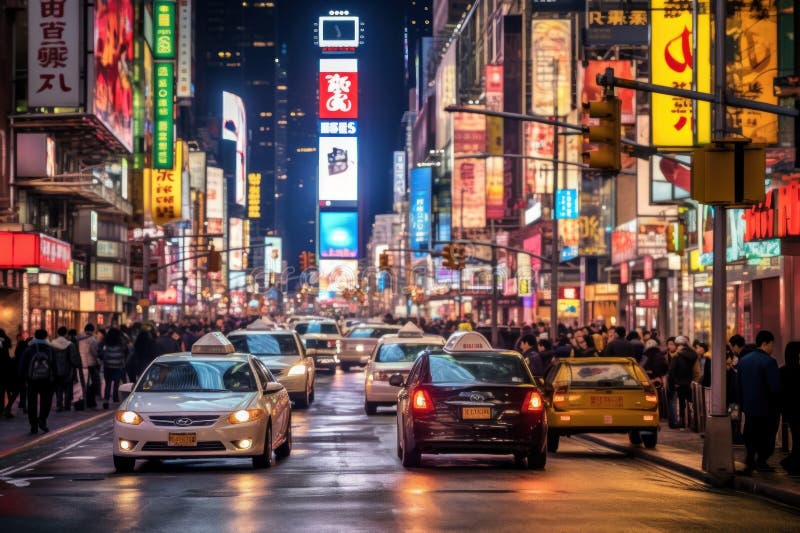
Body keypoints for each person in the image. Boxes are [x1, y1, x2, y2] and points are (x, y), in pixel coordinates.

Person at [737, 330, 781, 473]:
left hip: (749, 406)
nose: (772, 348)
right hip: (767, 407)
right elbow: (775, 387)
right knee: (767, 435)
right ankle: (761, 460)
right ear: (765, 343)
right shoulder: (769, 362)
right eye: (772, 344)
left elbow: (738, 384)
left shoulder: (743, 361)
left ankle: (750, 458)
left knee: (751, 432)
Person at [19, 329, 55, 434]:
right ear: (45, 337)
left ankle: (33, 426)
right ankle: (42, 420)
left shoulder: (29, 349)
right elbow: (54, 364)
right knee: (46, 401)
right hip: (47, 380)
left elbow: (22, 365)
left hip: (32, 380)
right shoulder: (49, 349)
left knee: (32, 403)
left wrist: (22, 378)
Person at [667, 335, 698, 429]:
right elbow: (696, 370)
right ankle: (694, 422)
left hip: (679, 383)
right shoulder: (694, 354)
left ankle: (682, 422)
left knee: (681, 403)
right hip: (690, 382)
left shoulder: (677, 356)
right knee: (692, 402)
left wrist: (673, 383)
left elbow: (672, 371)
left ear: (679, 345)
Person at [779, 341, 800, 475]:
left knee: (797, 437)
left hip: (790, 410)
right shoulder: (797, 370)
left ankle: (791, 463)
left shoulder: (782, 370)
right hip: (797, 409)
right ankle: (791, 463)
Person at [51, 327, 79, 412]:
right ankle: (67, 405)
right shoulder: (70, 345)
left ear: (57, 333)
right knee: (68, 388)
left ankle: (59, 405)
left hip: (56, 370)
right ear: (66, 334)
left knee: (58, 388)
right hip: (68, 369)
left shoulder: (52, 344)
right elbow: (73, 359)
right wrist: (77, 365)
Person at [99, 328, 128, 409]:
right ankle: (115, 399)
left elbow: (101, 353)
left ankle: (106, 401)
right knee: (116, 383)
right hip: (118, 366)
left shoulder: (106, 342)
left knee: (108, 384)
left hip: (107, 366)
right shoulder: (121, 343)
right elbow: (126, 351)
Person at [77, 324, 101, 409]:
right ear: (92, 330)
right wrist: (98, 360)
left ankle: (82, 401)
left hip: (81, 364)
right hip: (91, 364)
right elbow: (94, 352)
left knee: (83, 384)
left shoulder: (78, 338)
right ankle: (91, 402)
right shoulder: (92, 340)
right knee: (93, 384)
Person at [0, 328, 17, 418]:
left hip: (3, 370)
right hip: (6, 370)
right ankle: (7, 409)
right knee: (9, 391)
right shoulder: (6, 340)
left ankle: (3, 409)